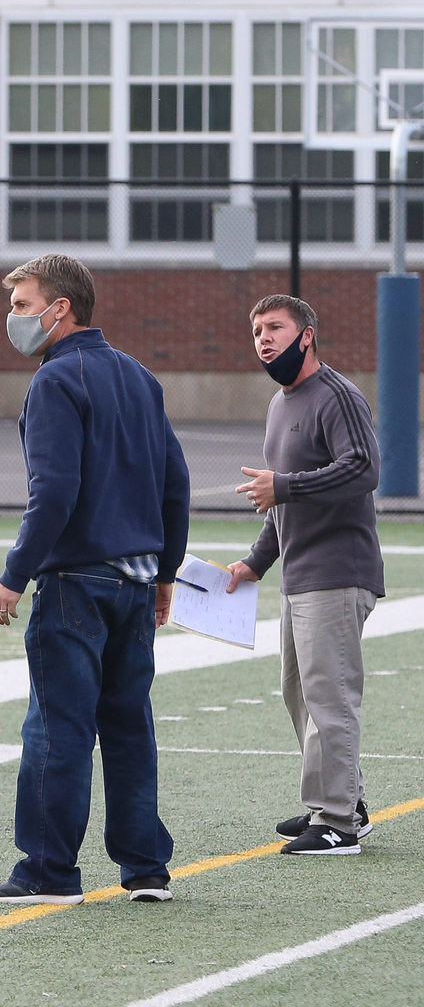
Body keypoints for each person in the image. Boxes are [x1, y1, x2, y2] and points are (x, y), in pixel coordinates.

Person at [0, 253, 190, 906]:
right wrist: (165, 573)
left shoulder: (53, 382)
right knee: (129, 727)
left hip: (75, 584)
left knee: (56, 726)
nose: (12, 318)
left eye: (21, 305)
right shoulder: (138, 377)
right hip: (132, 583)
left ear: (58, 307)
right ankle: (145, 869)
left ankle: (48, 870)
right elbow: (175, 484)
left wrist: (15, 573)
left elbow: (55, 492)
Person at [226, 295, 383, 856]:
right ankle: (344, 802)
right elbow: (283, 498)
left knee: (328, 696)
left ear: (307, 335)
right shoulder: (280, 403)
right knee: (300, 694)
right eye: (257, 330)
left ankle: (337, 821)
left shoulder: (337, 395)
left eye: (275, 327)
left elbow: (363, 468)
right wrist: (255, 562)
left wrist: (284, 487)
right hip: (299, 576)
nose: (263, 338)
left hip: (338, 573)